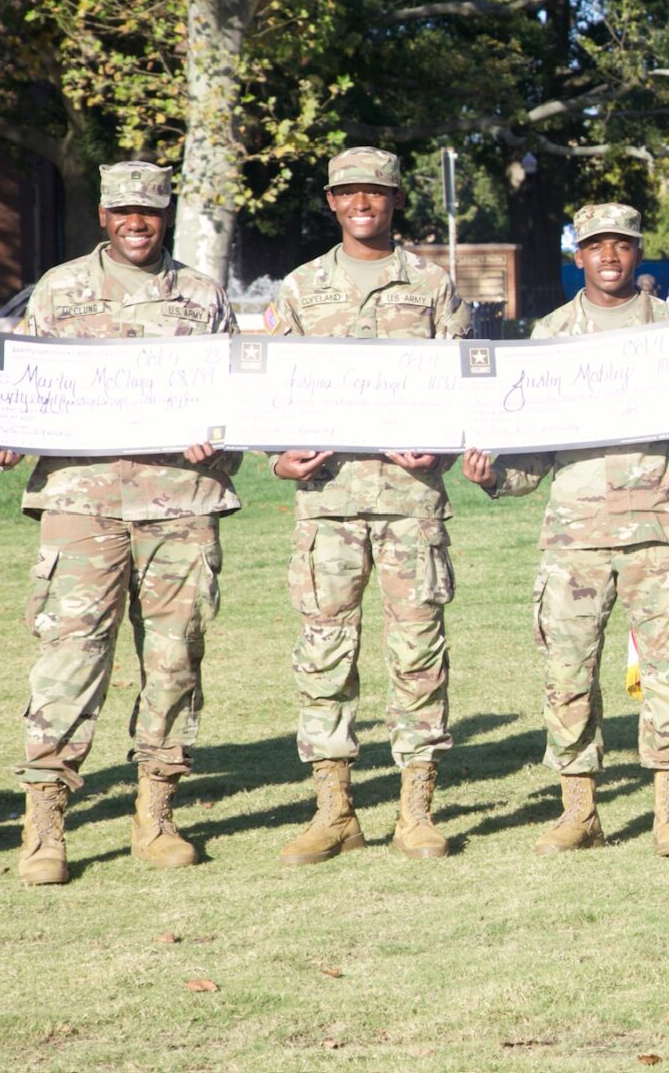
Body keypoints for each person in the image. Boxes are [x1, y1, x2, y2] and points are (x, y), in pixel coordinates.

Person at [0, 162, 239, 885]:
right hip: (80, 503)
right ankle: (45, 823)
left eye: (150, 211)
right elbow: (20, 387)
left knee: (175, 658)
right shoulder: (59, 291)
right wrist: (4, 432)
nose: (136, 222)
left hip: (179, 502)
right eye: (123, 209)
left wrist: (219, 433)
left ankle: (156, 813)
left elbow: (240, 395)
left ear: (166, 215)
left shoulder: (202, 295)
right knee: (69, 656)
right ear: (101, 213)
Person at [461, 203, 669, 857]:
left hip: (657, 531)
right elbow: (532, 459)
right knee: (567, 672)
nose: (610, 256)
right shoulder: (548, 339)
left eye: (623, 245)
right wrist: (491, 475)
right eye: (597, 245)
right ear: (578, 254)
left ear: (638, 253)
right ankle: (580, 809)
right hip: (574, 539)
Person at [266, 147, 470, 865]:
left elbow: (461, 388)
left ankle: (416, 809)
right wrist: (277, 456)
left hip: (410, 502)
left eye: (376, 193)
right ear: (331, 201)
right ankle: (335, 809)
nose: (363, 204)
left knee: (417, 654)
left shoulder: (433, 284)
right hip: (327, 503)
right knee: (325, 653)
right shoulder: (298, 289)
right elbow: (270, 393)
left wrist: (441, 448)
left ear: (393, 201)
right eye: (349, 192)